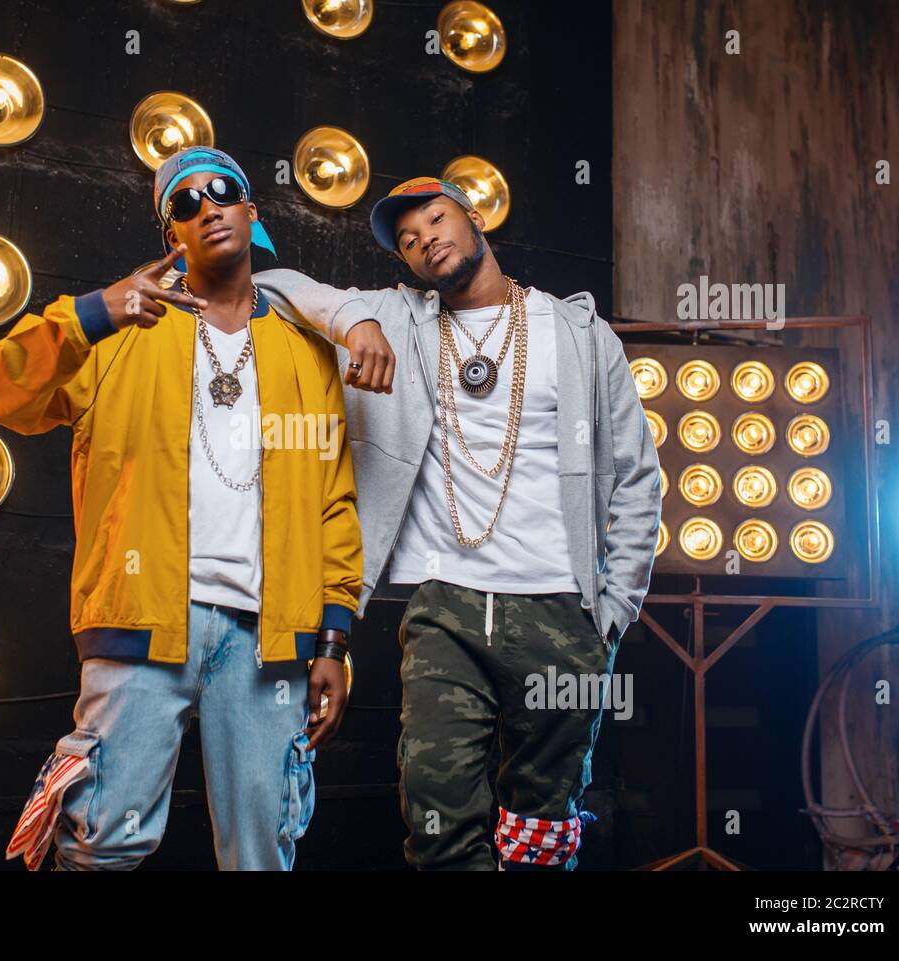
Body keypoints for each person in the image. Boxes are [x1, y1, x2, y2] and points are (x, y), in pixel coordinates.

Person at [254, 176, 661, 870]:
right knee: (436, 818)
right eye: (408, 241)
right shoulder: (401, 319)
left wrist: (615, 609)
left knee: (541, 830)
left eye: (436, 219)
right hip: (445, 606)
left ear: (474, 218)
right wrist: (355, 320)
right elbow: (273, 283)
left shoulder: (578, 335)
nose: (425, 240)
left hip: (564, 609)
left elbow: (638, 475)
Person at [0, 147, 361, 871]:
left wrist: (334, 639)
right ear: (171, 238)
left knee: (263, 852)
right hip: (142, 621)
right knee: (102, 846)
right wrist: (93, 312)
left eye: (223, 191)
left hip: (267, 639)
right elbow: (2, 393)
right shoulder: (121, 331)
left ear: (253, 212)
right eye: (184, 204)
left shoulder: (305, 353)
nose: (207, 206)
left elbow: (334, 501)